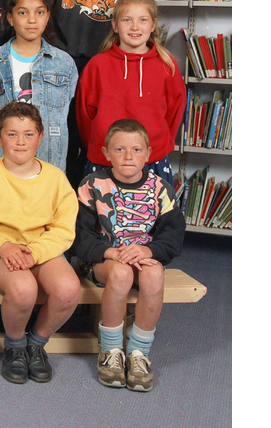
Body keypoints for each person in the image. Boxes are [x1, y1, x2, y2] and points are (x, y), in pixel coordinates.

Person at [72, 118, 184, 392]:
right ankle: (111, 351)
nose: (128, 156)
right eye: (119, 150)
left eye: (136, 150)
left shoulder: (161, 189)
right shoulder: (92, 185)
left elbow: (173, 238)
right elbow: (80, 236)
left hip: (144, 259)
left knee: (155, 274)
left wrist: (148, 250)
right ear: (107, 152)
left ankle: (138, 353)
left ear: (148, 154)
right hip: (105, 261)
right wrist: (111, 252)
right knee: (121, 273)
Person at [39, 0, 143, 183]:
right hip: (66, 67)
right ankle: (68, 200)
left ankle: (104, 202)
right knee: (66, 136)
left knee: (108, 137)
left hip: (112, 68)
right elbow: (42, 18)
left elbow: (138, 20)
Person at [0, 102, 80, 385]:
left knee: (69, 290)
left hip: (41, 252)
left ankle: (36, 343)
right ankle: (15, 346)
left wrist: (35, 253)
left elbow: (63, 230)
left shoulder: (57, 179)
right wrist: (3, 247)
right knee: (23, 289)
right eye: (11, 134)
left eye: (29, 134)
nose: (20, 142)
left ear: (41, 137)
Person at [77, 0, 186, 187]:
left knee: (151, 217)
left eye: (143, 20)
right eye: (127, 20)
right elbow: (85, 117)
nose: (135, 26)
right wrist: (100, 146)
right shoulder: (97, 65)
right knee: (101, 217)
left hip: (152, 162)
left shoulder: (167, 65)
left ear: (153, 25)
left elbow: (174, 114)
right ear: (115, 25)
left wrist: (158, 143)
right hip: (105, 162)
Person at [0, 0, 77, 172]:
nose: (32, 20)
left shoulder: (64, 64)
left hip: (48, 165)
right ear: (10, 18)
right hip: (2, 166)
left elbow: (73, 120)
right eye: (23, 12)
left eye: (39, 12)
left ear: (48, 16)